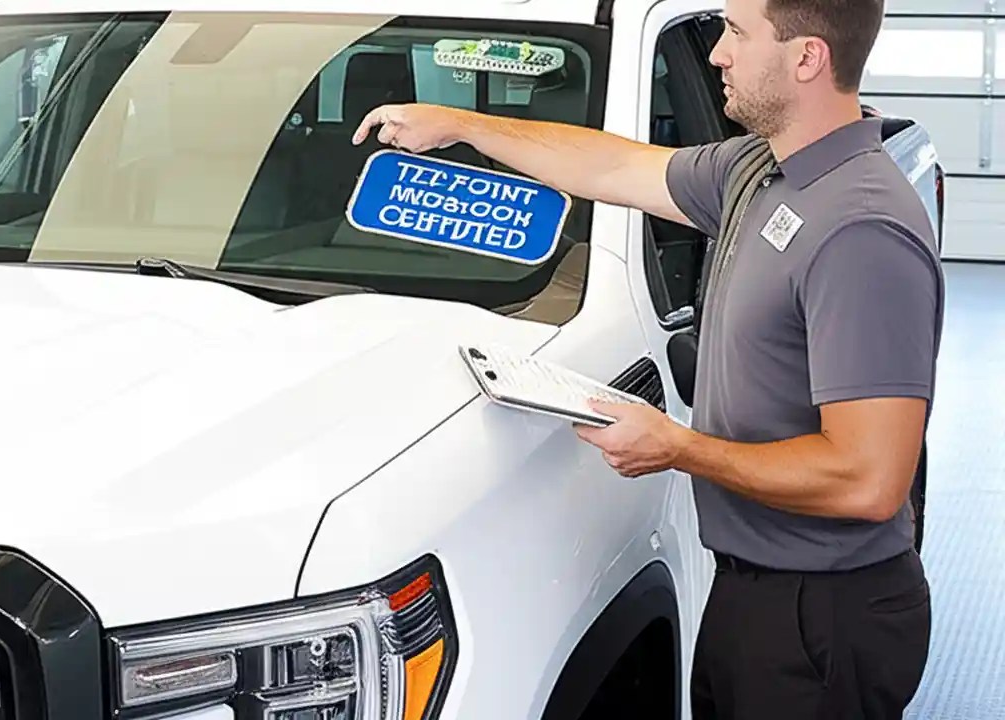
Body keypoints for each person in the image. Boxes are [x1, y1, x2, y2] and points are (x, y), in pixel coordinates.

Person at [352, 0, 942, 717]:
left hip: (819, 617)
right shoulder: (759, 169)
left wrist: (678, 447)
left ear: (808, 58)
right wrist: (460, 124)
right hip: (753, 592)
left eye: (736, 32)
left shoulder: (861, 229)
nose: (718, 53)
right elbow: (611, 163)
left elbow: (867, 481)